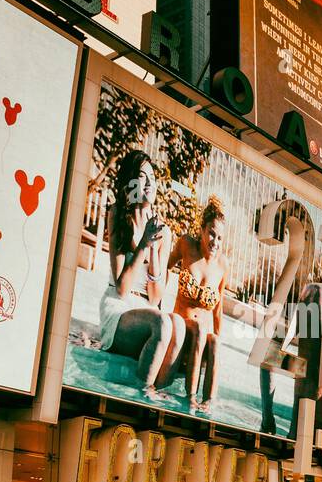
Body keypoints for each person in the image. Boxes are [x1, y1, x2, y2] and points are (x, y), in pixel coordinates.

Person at [98, 149, 186, 397]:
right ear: (130, 183)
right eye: (141, 177)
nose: (148, 183)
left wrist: (156, 248)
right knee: (161, 322)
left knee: (177, 324)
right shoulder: (118, 214)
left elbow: (156, 298)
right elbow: (122, 288)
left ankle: (158, 404)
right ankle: (141, 396)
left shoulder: (164, 231)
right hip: (119, 307)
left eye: (152, 177)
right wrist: (144, 244)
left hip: (145, 305)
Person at [167, 199, 229, 411]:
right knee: (201, 328)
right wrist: (155, 304)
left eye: (220, 238)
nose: (215, 242)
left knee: (215, 342)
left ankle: (208, 402)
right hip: (182, 327)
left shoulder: (223, 265)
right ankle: (190, 397)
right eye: (212, 233)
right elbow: (164, 268)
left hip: (200, 340)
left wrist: (219, 336)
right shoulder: (186, 245)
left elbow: (218, 308)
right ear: (202, 230)